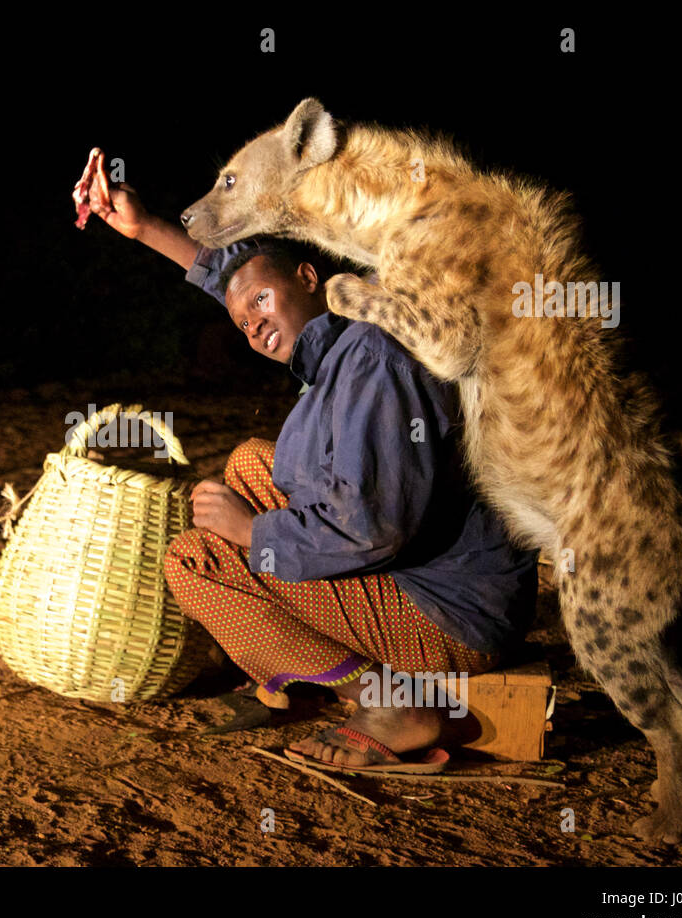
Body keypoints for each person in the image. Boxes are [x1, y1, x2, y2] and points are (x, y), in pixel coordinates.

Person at [78, 157, 539, 772]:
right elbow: (237, 280)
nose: (253, 325)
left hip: (449, 618)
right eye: (242, 321)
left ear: (310, 275)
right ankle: (287, 654)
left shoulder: (371, 358)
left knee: (194, 562)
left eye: (263, 304)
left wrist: (252, 533)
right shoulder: (346, 345)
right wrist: (145, 228)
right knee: (248, 465)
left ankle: (386, 703)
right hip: (457, 583)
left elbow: (373, 527)